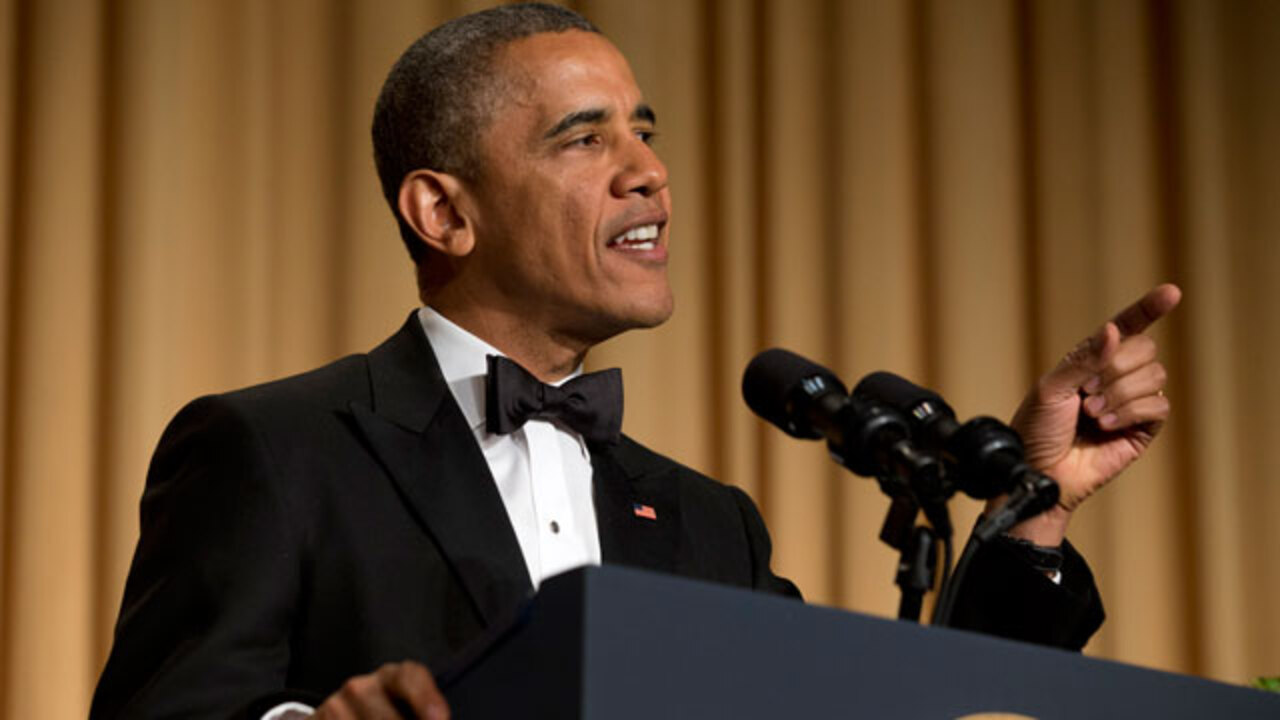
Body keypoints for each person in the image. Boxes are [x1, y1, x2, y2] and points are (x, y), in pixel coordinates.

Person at [90, 4, 1181, 719]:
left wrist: (1034, 503)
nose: (649, 172)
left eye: (644, 132)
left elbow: (908, 711)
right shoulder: (273, 450)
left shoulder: (710, 524)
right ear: (443, 212)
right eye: (584, 138)